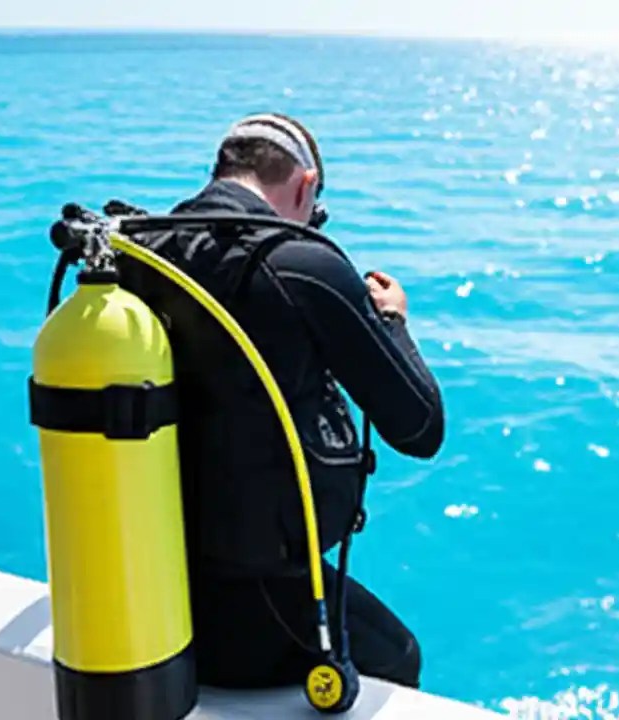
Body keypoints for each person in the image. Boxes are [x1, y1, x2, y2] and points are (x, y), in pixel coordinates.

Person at [132, 112, 445, 691]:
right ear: (303, 186)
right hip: (255, 609)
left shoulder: (142, 253)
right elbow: (420, 427)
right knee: (400, 658)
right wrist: (394, 321)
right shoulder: (304, 266)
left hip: (147, 593)